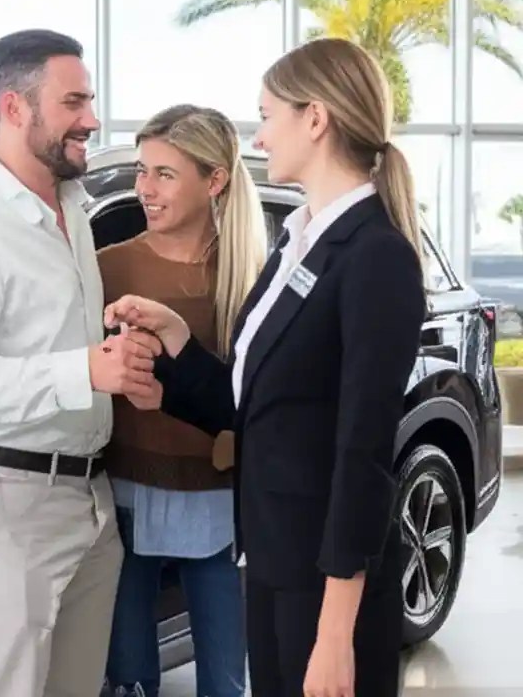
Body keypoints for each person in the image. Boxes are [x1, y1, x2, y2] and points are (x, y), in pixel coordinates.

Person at [105, 37, 427, 697]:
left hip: (327, 585)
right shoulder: (300, 241)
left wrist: (335, 637)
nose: (258, 134)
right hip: (273, 559)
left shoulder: (374, 255)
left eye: (267, 114)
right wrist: (174, 347)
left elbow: (362, 455)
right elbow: (250, 403)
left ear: (316, 119)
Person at [0, 28, 162, 697]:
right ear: (15, 107)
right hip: (7, 509)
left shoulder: (73, 210)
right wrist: (84, 371)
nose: (93, 120)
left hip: (89, 502)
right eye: (74, 101)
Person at [98, 104, 267, 697]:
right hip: (121, 495)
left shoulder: (254, 275)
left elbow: (258, 398)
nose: (144, 188)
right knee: (129, 676)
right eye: (142, 171)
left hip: (218, 500)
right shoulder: (107, 270)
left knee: (226, 681)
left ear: (214, 179)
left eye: (164, 174)